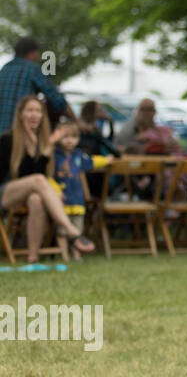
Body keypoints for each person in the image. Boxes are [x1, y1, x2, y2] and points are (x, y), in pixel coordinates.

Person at [0, 95, 96, 264]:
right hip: (5, 192)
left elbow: (44, 176)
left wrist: (46, 146)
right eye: (29, 110)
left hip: (32, 192)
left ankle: (33, 258)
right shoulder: (8, 139)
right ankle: (72, 232)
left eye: (38, 111)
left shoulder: (44, 141)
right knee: (37, 180)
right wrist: (45, 149)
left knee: (37, 199)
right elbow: (27, 175)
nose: (34, 115)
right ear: (21, 114)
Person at [52, 122, 113, 260]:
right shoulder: (54, 156)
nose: (69, 140)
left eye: (73, 137)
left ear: (78, 139)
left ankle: (76, 254)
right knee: (62, 231)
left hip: (77, 199)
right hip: (62, 201)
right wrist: (56, 191)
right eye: (65, 136)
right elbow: (48, 177)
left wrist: (106, 160)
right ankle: (64, 256)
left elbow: (92, 162)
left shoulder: (78, 155)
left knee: (77, 230)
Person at [0, 37, 71, 134]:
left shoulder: (4, 69)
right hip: (19, 135)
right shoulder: (33, 69)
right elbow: (57, 100)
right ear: (32, 53)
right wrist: (77, 120)